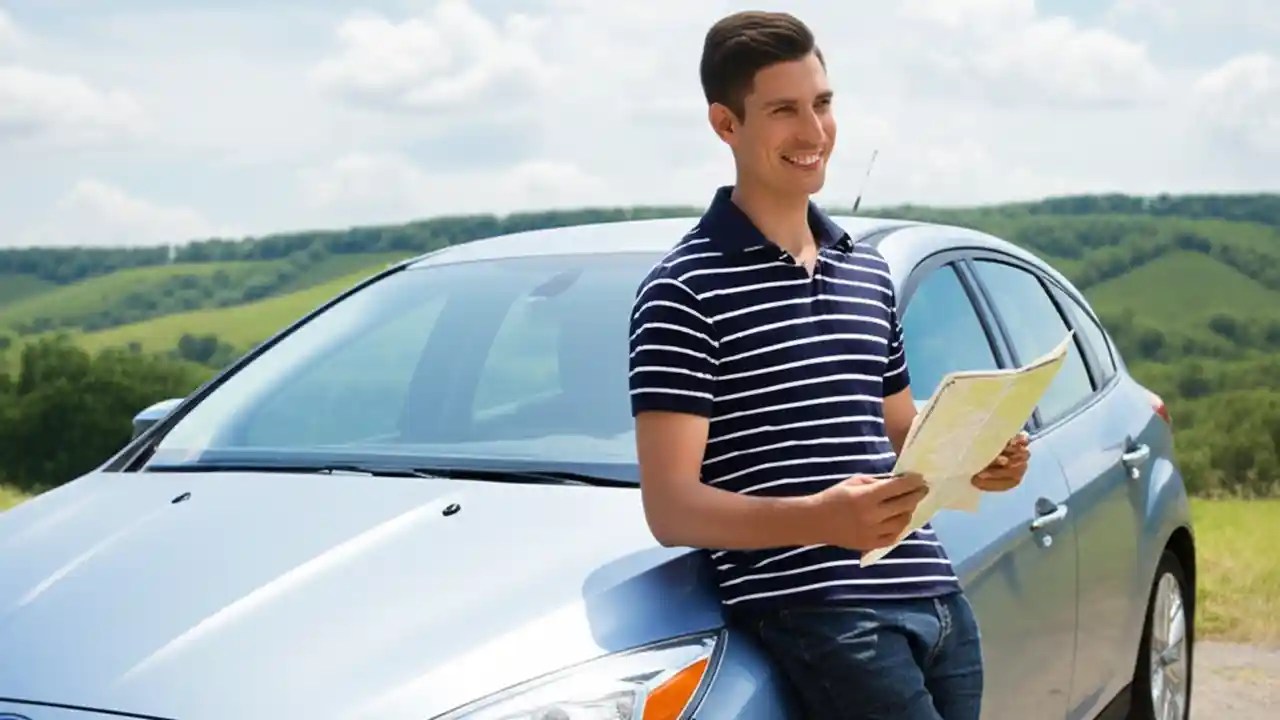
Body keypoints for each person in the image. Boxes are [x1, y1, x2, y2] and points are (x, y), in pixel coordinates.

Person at [626, 10, 1030, 720]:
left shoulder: (866, 272)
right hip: (823, 611)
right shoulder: (683, 291)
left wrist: (980, 457)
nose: (814, 133)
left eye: (823, 103)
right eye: (784, 110)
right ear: (726, 125)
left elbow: (901, 431)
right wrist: (822, 518)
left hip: (936, 596)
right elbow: (671, 507)